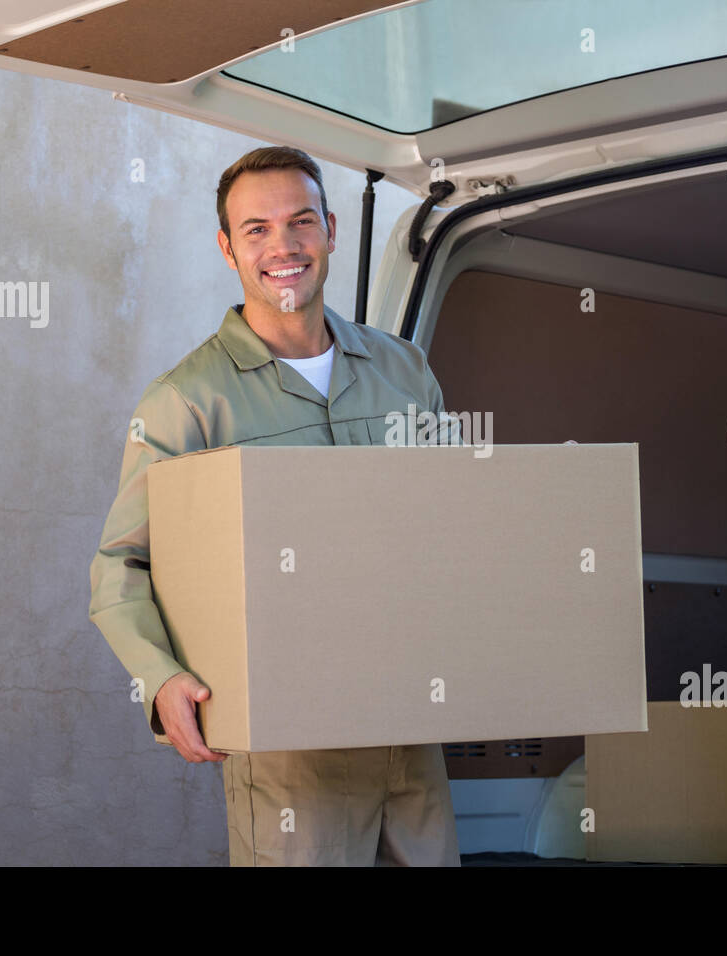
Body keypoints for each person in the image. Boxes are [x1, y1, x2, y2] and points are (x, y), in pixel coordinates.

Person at [88, 145, 461, 866]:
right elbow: (120, 566)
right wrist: (162, 679)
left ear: (329, 231)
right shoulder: (187, 402)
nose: (283, 246)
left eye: (300, 222)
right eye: (256, 230)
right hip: (290, 751)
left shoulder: (405, 372)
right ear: (227, 249)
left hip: (413, 734)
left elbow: (452, 530)